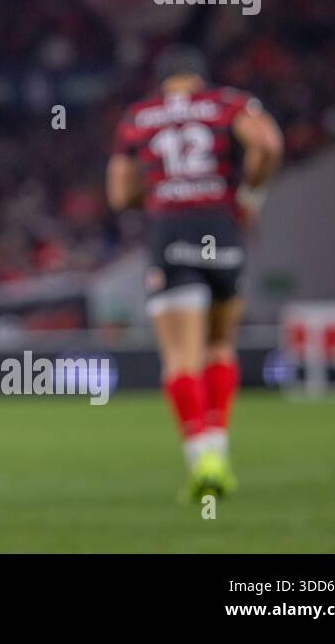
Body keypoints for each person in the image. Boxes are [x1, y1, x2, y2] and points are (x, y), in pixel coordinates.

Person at [107, 45, 282, 502]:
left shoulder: (139, 116)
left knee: (180, 357)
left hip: (171, 232)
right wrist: (249, 195)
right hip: (222, 229)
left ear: (162, 79)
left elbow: (119, 192)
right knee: (219, 345)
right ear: (200, 77)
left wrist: (157, 194)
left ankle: (201, 458)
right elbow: (267, 144)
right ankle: (219, 449)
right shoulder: (228, 104)